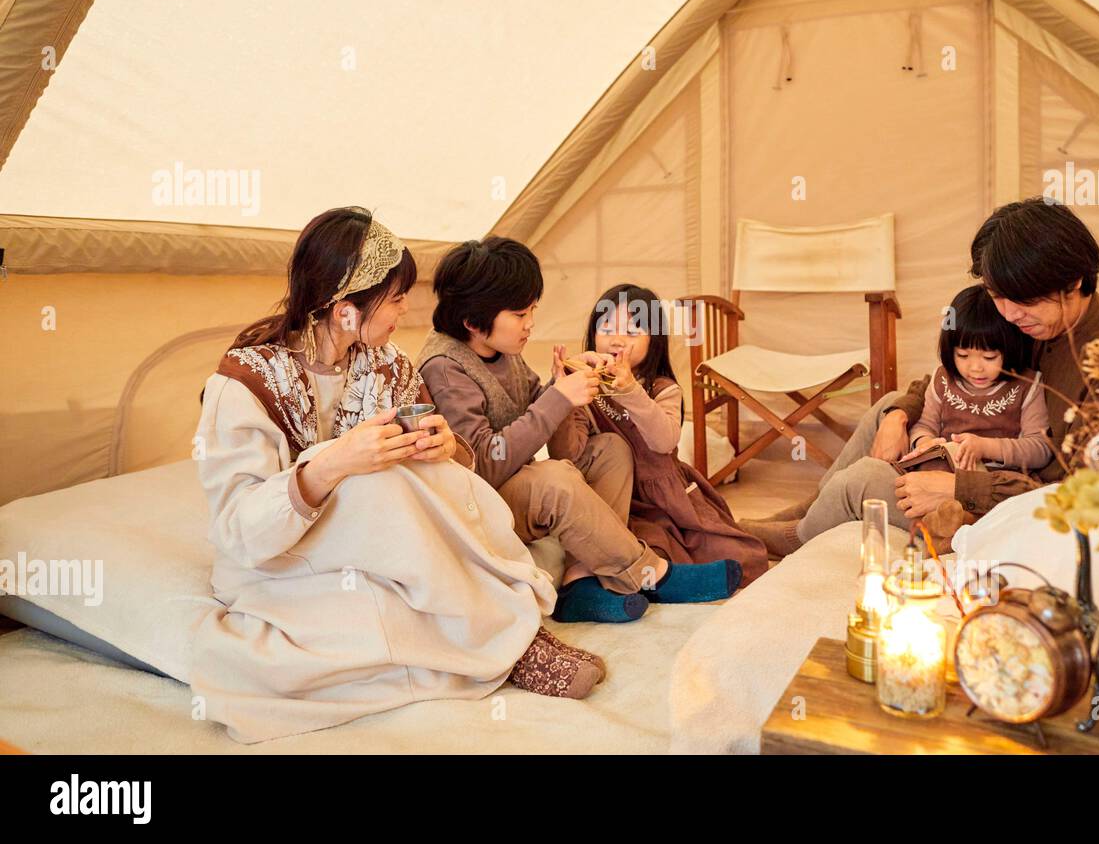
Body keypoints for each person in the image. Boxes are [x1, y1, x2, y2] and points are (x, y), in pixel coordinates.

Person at [191, 208, 603, 744]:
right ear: (344, 311)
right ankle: (504, 639)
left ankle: (500, 627)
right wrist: (337, 461)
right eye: (396, 297)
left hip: (378, 541)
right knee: (377, 487)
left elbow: (459, 470)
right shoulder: (244, 383)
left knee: (410, 478)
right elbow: (237, 528)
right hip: (281, 554)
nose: (407, 310)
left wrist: (446, 446)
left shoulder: (388, 365)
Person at [738, 197, 1099, 557]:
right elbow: (941, 380)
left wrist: (957, 488)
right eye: (998, 297)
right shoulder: (1033, 320)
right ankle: (812, 508)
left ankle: (799, 537)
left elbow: (1085, 500)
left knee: (866, 478)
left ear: (1074, 282)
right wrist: (899, 416)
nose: (1009, 314)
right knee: (887, 407)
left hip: (1014, 502)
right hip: (969, 464)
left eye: (1022, 301)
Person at [418, 238, 741, 624]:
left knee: (610, 449)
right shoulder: (445, 367)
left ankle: (581, 581)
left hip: (511, 480)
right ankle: (649, 572)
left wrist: (562, 381)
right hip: (477, 500)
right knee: (555, 477)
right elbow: (484, 464)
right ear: (473, 321)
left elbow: (534, 407)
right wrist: (558, 398)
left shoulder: (502, 348)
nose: (531, 324)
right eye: (522, 314)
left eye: (532, 310)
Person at [547, 284, 769, 587]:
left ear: (655, 340)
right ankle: (661, 580)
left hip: (665, 498)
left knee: (740, 556)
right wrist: (561, 396)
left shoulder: (662, 388)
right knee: (643, 548)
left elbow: (663, 440)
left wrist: (629, 390)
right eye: (606, 327)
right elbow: (567, 455)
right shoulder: (587, 387)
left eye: (632, 331)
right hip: (617, 499)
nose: (616, 339)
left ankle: (672, 574)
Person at [900, 284, 1051, 474]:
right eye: (963, 355)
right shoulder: (943, 379)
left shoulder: (1027, 386)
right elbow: (924, 425)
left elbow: (1041, 449)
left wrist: (985, 447)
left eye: (989, 358)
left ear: (1011, 347)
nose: (975, 368)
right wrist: (926, 442)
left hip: (996, 483)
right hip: (941, 472)